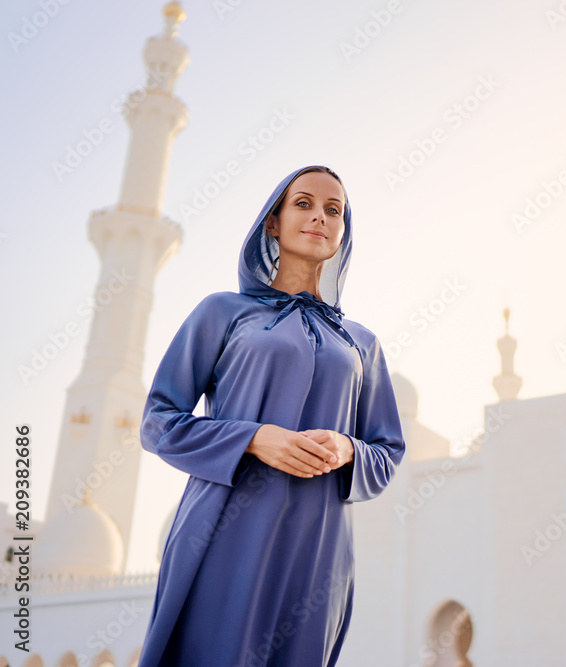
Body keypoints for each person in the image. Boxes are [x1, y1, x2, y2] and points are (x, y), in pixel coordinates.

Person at [136, 165, 406, 665]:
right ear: (273, 224)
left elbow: (387, 451)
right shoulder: (223, 312)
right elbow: (158, 421)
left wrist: (349, 448)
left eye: (334, 210)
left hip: (320, 541)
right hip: (226, 527)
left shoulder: (361, 343)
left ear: (344, 231)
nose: (320, 217)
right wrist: (255, 439)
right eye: (303, 204)